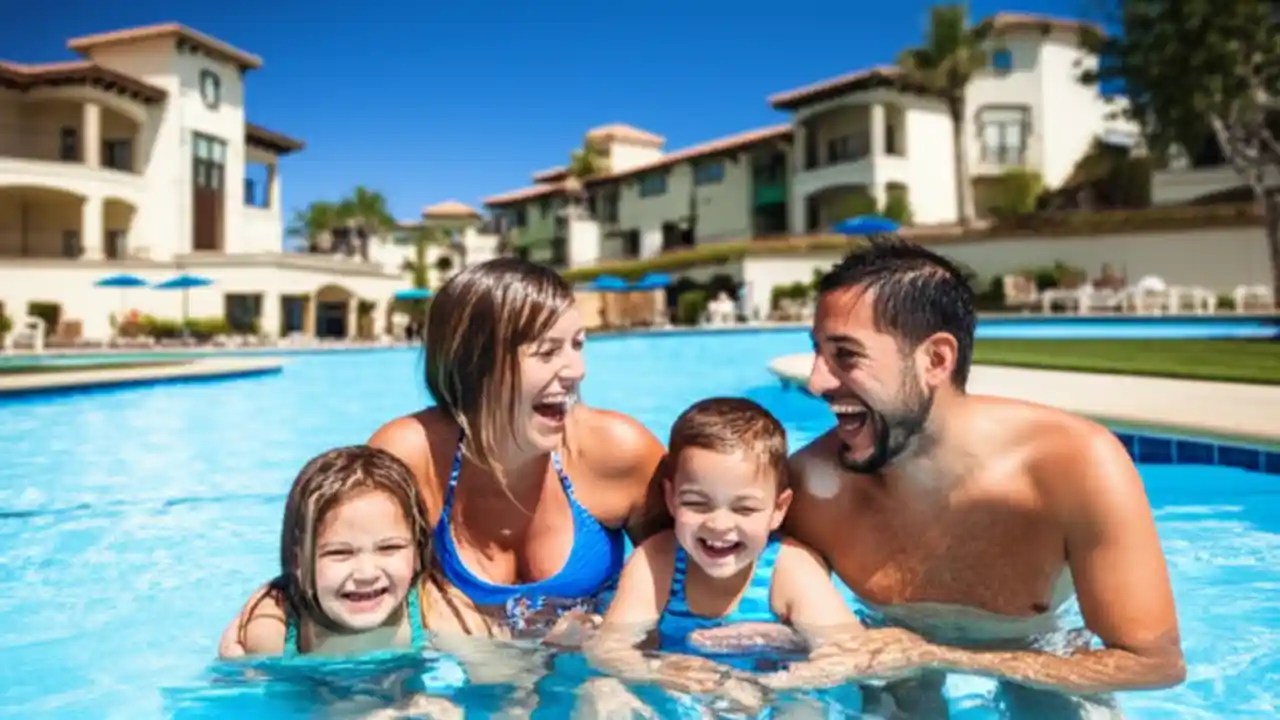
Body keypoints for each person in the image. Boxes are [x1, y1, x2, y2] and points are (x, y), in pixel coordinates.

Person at [734, 237, 1186, 716]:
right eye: (818, 353)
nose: (817, 382)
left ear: (935, 360)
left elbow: (1154, 662)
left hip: (1039, 652)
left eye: (846, 355)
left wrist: (937, 656)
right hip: (888, 658)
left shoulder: (1073, 467)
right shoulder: (810, 489)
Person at [219, 257, 667, 652]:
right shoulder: (412, 457)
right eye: (547, 351)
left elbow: (697, 563)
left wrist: (618, 642)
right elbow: (347, 556)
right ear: (477, 364)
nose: (576, 370)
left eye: (578, 344)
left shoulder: (616, 452)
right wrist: (275, 610)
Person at [585, 397, 938, 716]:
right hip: (678, 699)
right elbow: (607, 651)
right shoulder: (657, 561)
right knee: (600, 692)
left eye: (745, 508)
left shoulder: (788, 569)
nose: (720, 524)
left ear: (777, 510)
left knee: (806, 708)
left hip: (772, 700)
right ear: (671, 498)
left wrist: (767, 686)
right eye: (696, 502)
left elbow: (847, 654)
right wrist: (658, 671)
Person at [218, 444, 501, 659]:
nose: (366, 573)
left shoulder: (441, 613)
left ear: (417, 554)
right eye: (340, 553)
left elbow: (504, 691)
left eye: (389, 548)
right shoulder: (274, 628)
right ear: (298, 562)